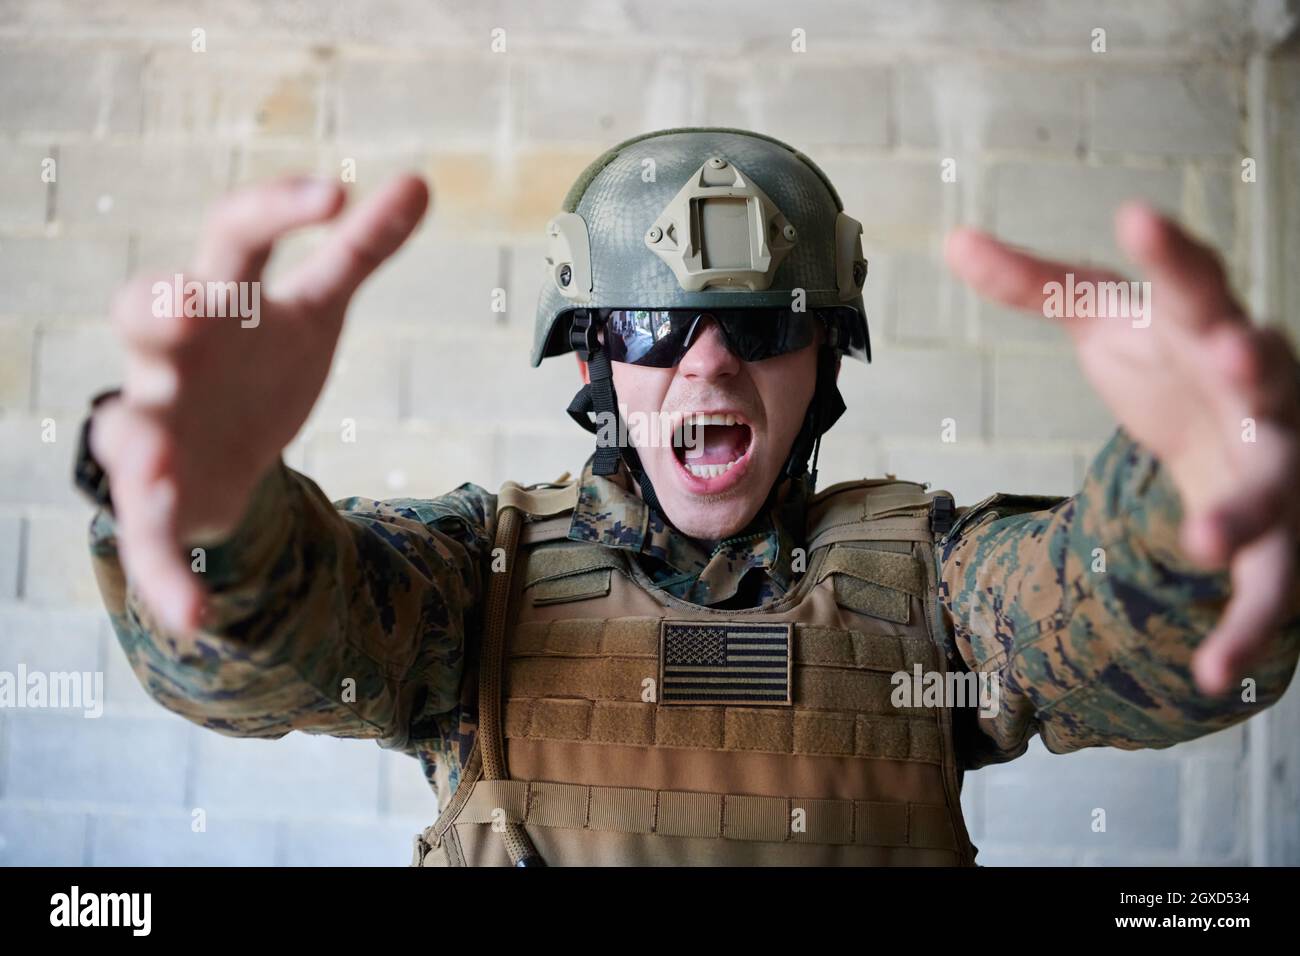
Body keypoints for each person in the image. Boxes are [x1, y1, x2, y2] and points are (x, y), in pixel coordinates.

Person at [76, 128, 1300, 866]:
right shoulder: (470, 581)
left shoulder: (933, 582)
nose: (706, 363)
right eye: (658, 326)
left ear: (821, 359)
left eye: (760, 323)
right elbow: (282, 655)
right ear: (593, 362)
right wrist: (217, 517)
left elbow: (1093, 628)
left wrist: (1177, 515)